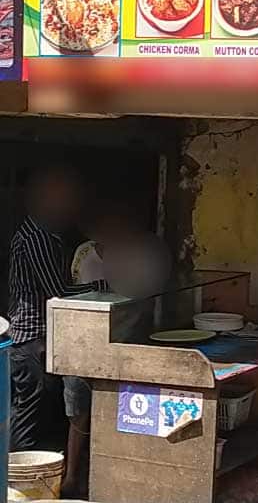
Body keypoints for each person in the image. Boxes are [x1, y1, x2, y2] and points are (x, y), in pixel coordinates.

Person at [61, 199, 173, 498]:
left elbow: (145, 295)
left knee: (117, 412)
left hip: (126, 341)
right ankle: (71, 478)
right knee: (78, 414)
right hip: (83, 342)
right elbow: (71, 291)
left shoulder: (141, 253)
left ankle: (111, 477)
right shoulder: (84, 253)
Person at [8, 166, 108, 452]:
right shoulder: (37, 238)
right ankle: (21, 470)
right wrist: (104, 285)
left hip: (39, 338)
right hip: (33, 339)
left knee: (36, 412)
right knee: (29, 415)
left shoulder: (44, 234)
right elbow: (59, 292)